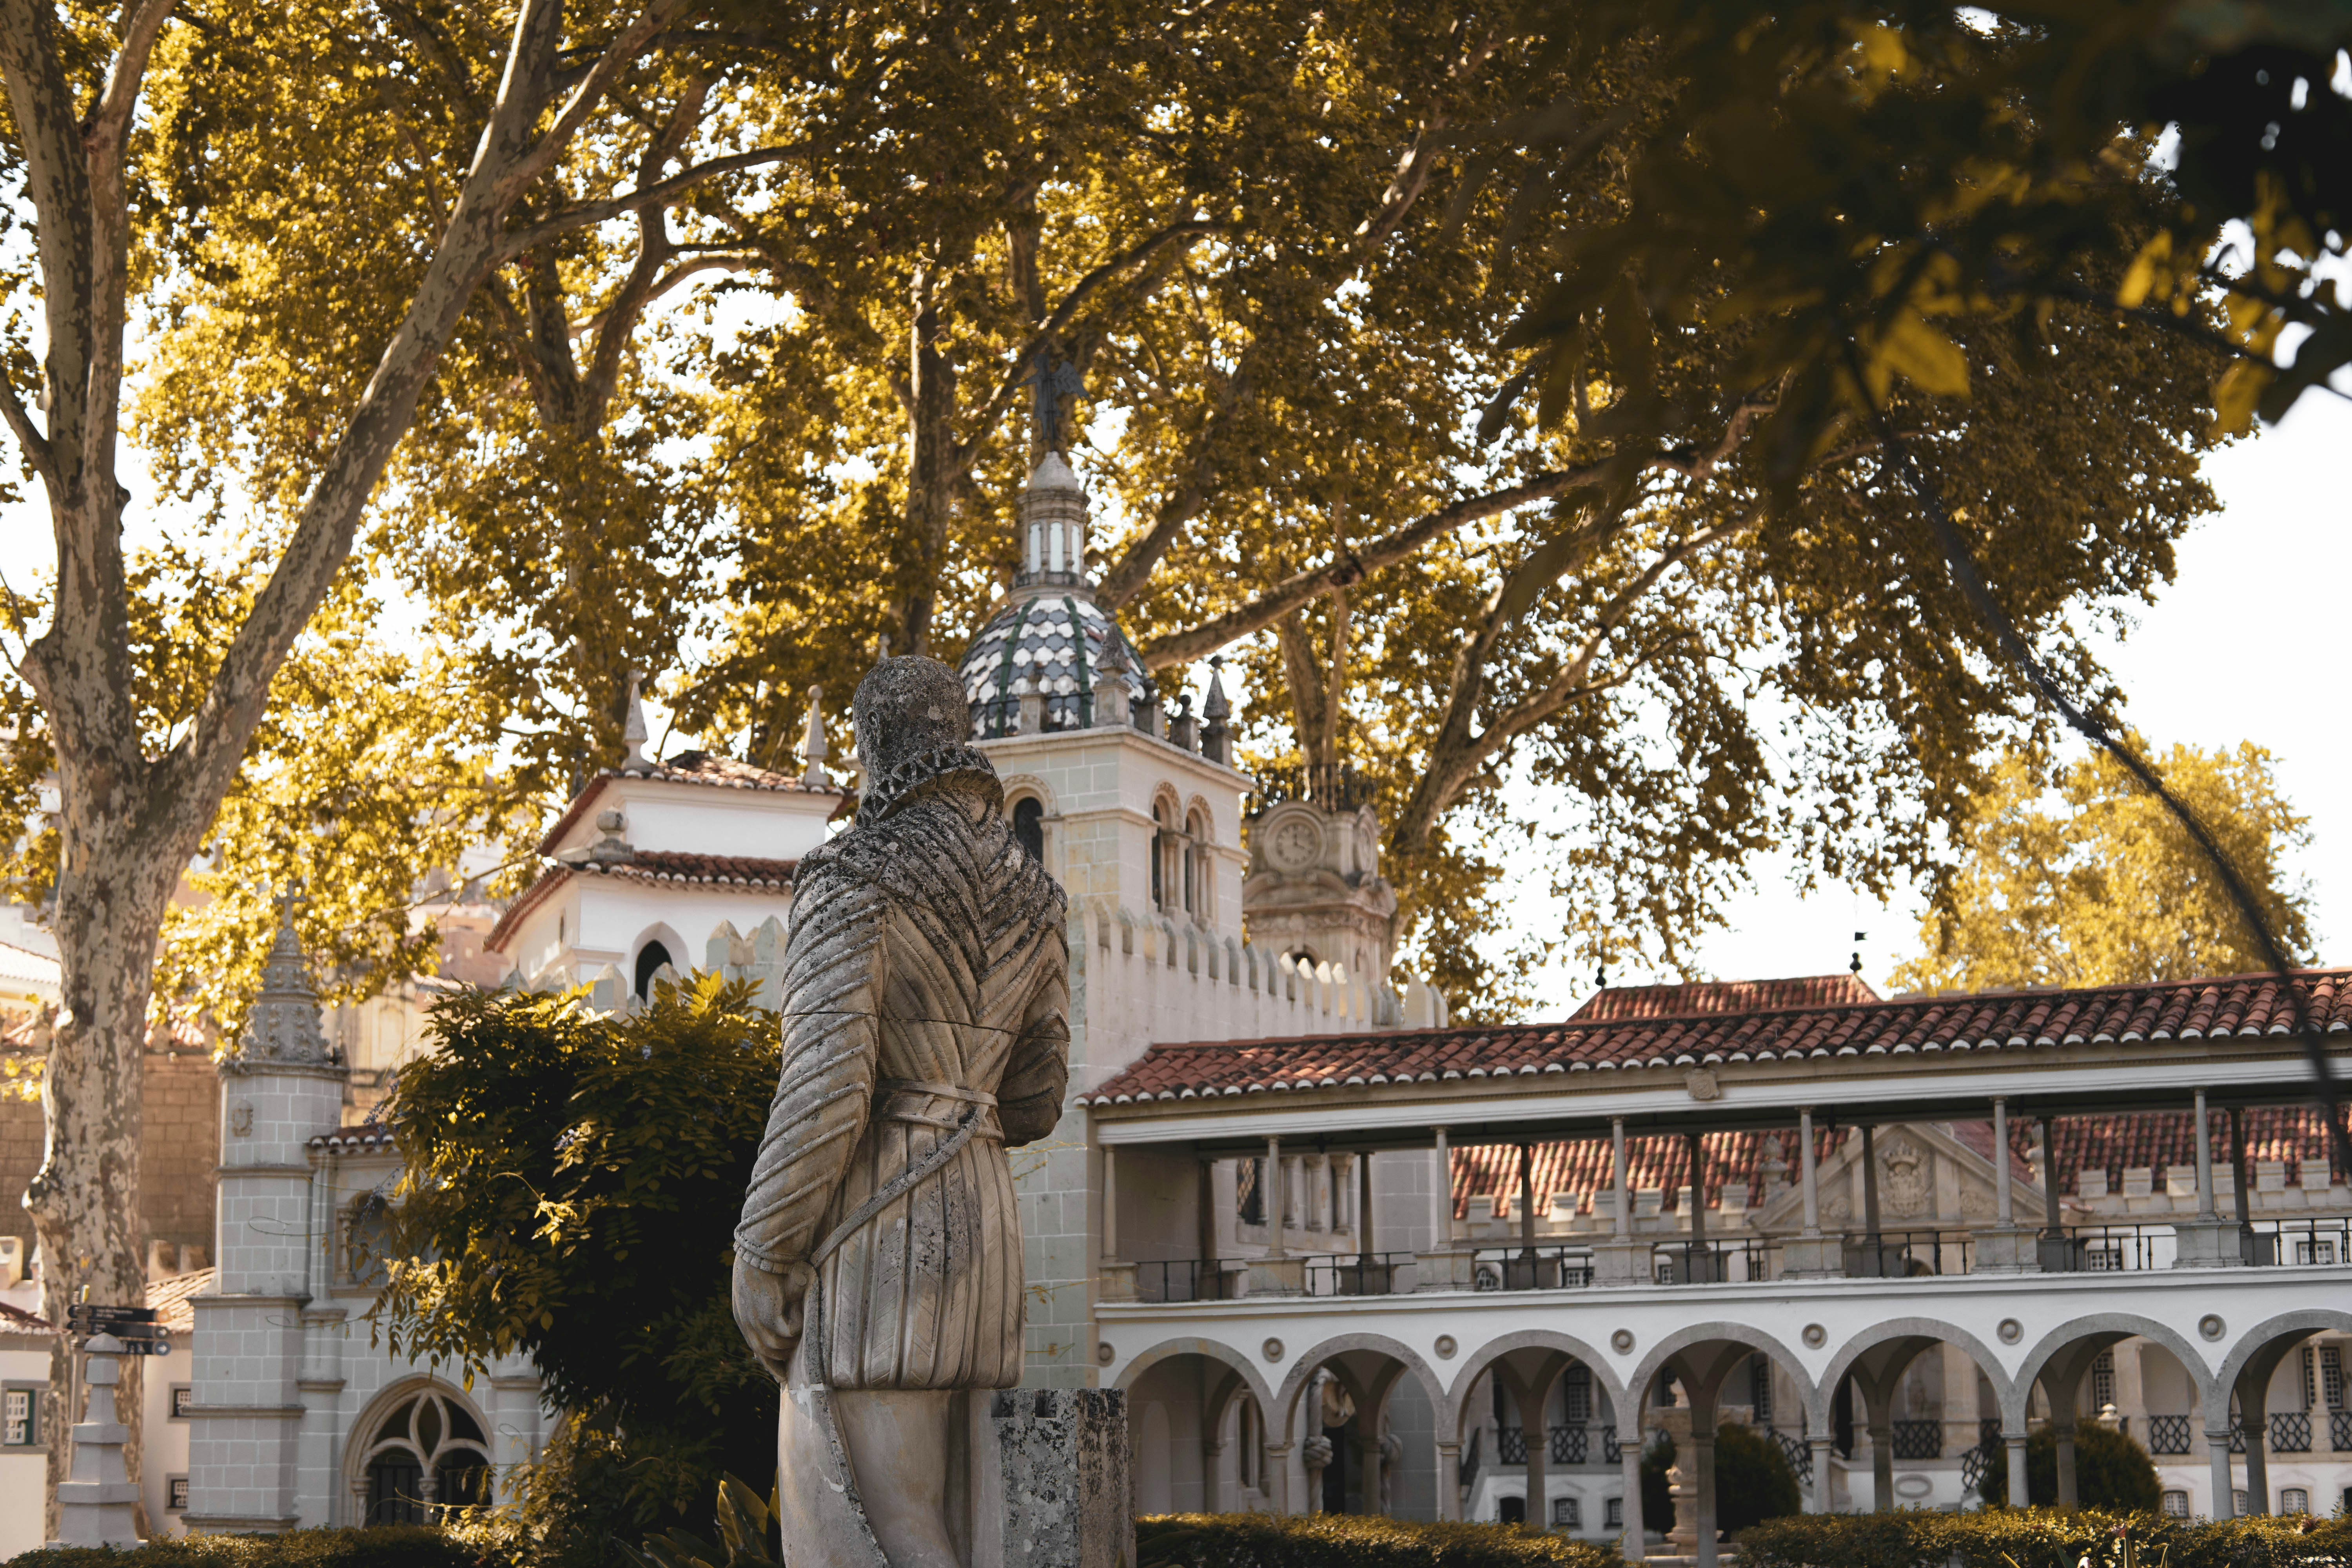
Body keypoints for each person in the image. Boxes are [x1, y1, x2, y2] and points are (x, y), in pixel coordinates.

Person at [732, 656, 1071, 1568]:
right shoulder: (1037, 894)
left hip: (884, 1229)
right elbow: (1039, 1096)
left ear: (871, 746)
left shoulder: (851, 872)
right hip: (986, 1216)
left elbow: (825, 1081)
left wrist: (762, 1248)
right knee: (975, 1523)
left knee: (890, 1528)